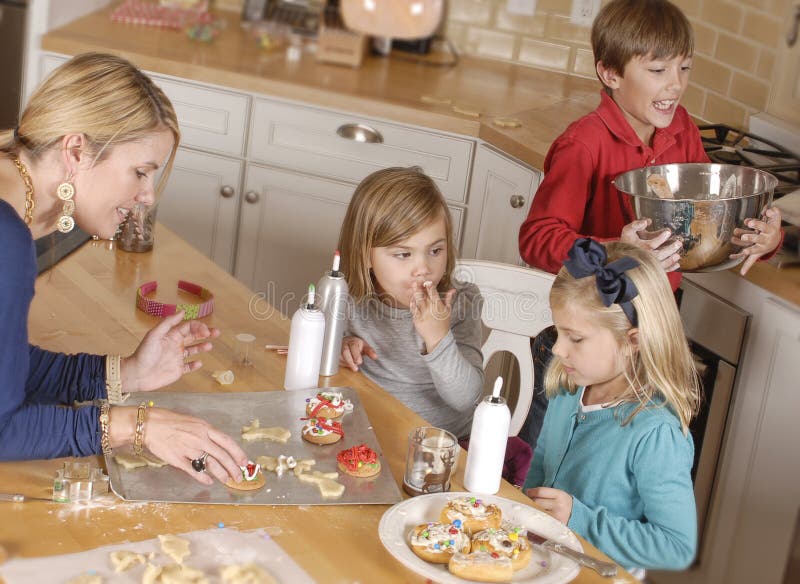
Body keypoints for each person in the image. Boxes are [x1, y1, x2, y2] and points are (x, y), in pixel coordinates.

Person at [516, 0, 782, 450]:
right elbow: (536, 238)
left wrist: (766, 238)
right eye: (658, 70)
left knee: (612, 460)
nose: (675, 84)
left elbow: (703, 222)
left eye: (684, 68)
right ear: (610, 73)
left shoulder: (682, 131)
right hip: (584, 329)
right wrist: (612, 250)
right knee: (541, 450)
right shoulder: (584, 144)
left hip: (652, 329)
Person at [0, 52, 247, 486]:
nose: (148, 196)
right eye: (140, 172)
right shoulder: (6, 240)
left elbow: (7, 372)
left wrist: (125, 373)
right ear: (76, 150)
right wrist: (137, 427)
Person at [524, 237, 701, 573]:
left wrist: (579, 518)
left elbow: (676, 547)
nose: (558, 350)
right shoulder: (569, 387)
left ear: (632, 340)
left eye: (575, 338)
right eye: (558, 332)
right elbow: (540, 469)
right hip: (542, 566)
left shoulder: (656, 433)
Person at [337, 167, 484, 439]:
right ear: (365, 255)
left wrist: (438, 339)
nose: (423, 268)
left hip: (443, 445)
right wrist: (340, 347)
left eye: (436, 250)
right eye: (404, 254)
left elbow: (466, 399)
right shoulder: (343, 295)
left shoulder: (462, 302)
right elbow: (318, 364)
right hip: (370, 435)